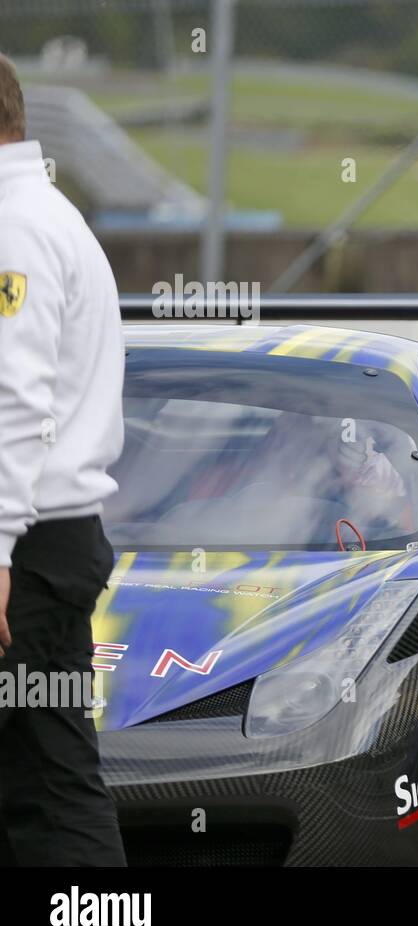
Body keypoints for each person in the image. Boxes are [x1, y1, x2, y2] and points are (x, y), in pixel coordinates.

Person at [0, 54, 127, 865]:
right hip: (48, 542)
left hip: (27, 548)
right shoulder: (46, 214)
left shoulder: (15, 225)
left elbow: (14, 399)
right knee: (49, 776)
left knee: (49, 786)